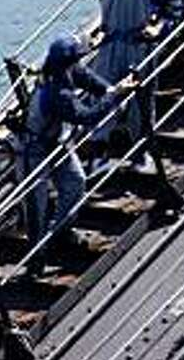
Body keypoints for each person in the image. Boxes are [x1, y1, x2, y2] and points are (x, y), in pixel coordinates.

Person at [20, 35, 118, 259]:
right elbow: (85, 116)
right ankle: (36, 256)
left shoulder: (66, 71)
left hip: (56, 143)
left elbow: (87, 78)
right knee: (38, 206)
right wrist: (113, 98)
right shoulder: (58, 92)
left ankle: (60, 231)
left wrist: (108, 90)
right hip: (35, 150)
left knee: (76, 183)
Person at [93, 0, 181, 150]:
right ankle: (100, 146)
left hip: (139, 44)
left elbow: (173, 5)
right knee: (101, 92)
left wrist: (159, 27)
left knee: (140, 102)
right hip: (111, 42)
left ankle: (140, 147)